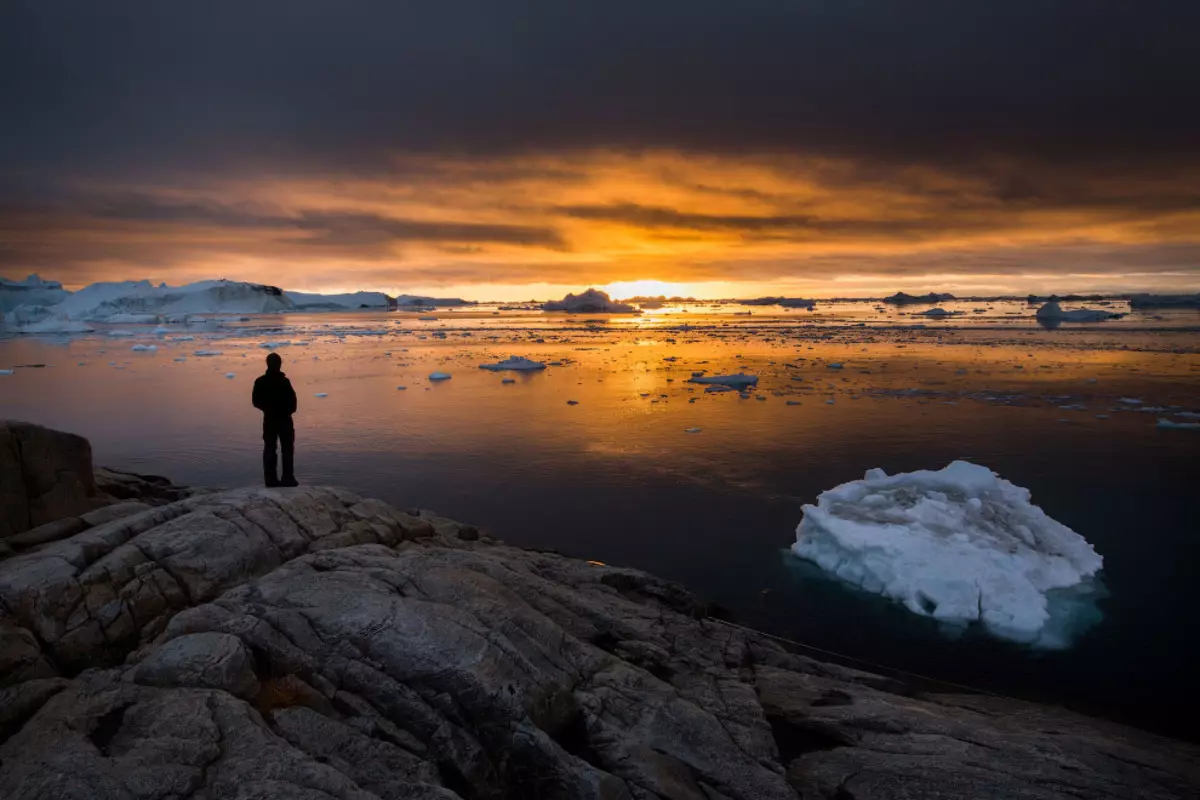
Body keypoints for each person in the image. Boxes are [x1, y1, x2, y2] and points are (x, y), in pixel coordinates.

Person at [252, 352, 298, 487]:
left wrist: (268, 409)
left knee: (270, 449)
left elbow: (256, 401)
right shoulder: (284, 382)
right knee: (287, 449)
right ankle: (287, 479)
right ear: (279, 364)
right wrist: (287, 411)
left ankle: (271, 480)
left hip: (270, 420)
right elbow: (293, 402)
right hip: (284, 420)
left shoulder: (260, 381)